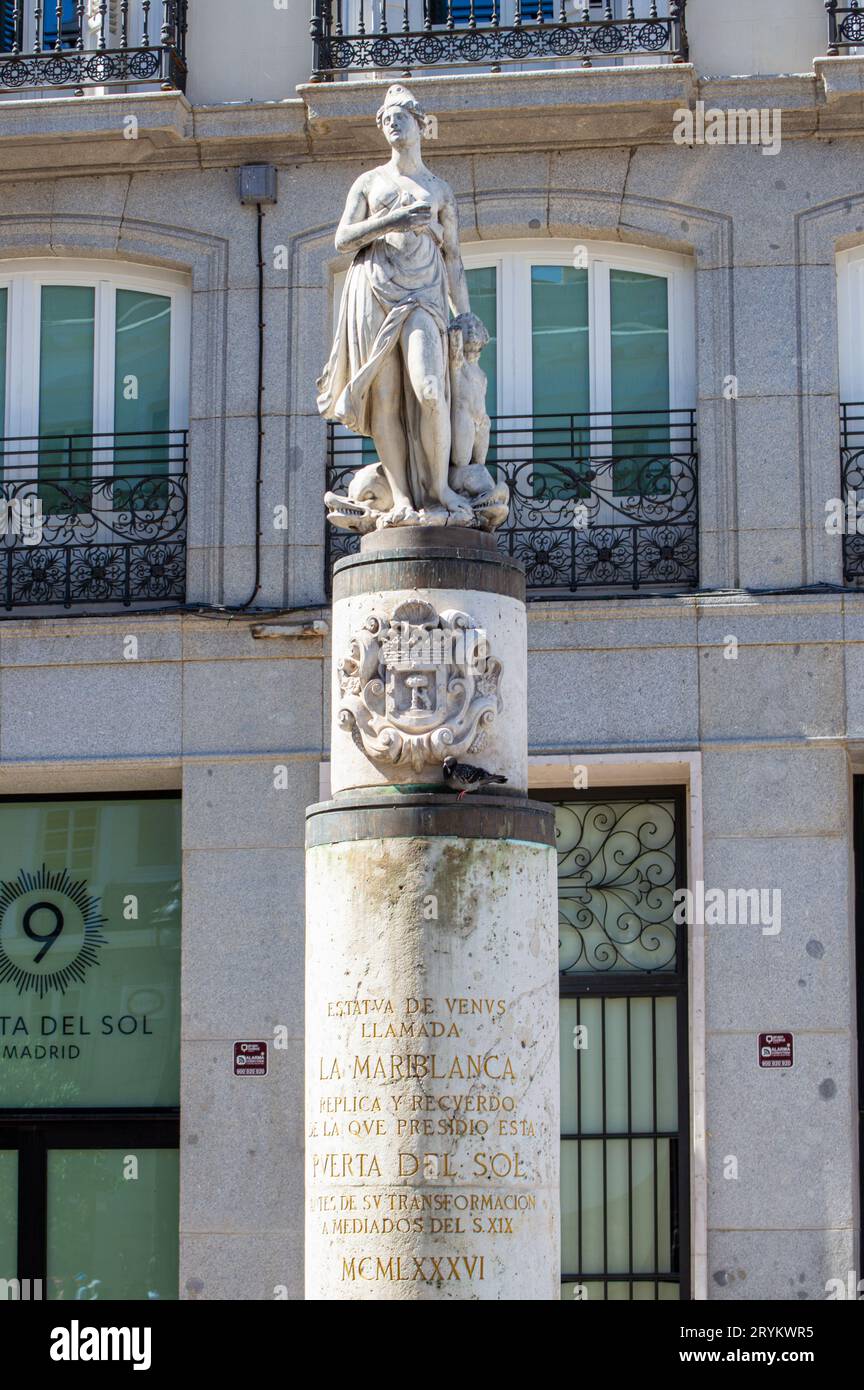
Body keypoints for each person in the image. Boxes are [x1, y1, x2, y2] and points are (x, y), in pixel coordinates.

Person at [317, 84, 474, 526]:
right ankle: (403, 498)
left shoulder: (439, 189)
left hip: (425, 292)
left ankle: (439, 488)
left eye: (399, 117)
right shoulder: (369, 182)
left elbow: (455, 257)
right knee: (384, 396)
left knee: (429, 389)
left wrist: (464, 313)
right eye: (385, 120)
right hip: (375, 290)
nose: (391, 125)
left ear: (420, 122)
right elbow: (343, 239)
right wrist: (393, 220)